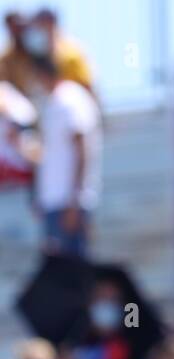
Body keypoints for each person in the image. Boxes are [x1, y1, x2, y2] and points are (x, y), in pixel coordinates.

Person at [29, 52, 102, 257]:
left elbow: (81, 149)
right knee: (59, 276)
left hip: (67, 204)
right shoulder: (52, 103)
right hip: (54, 204)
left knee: (73, 274)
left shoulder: (70, 99)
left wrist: (75, 201)